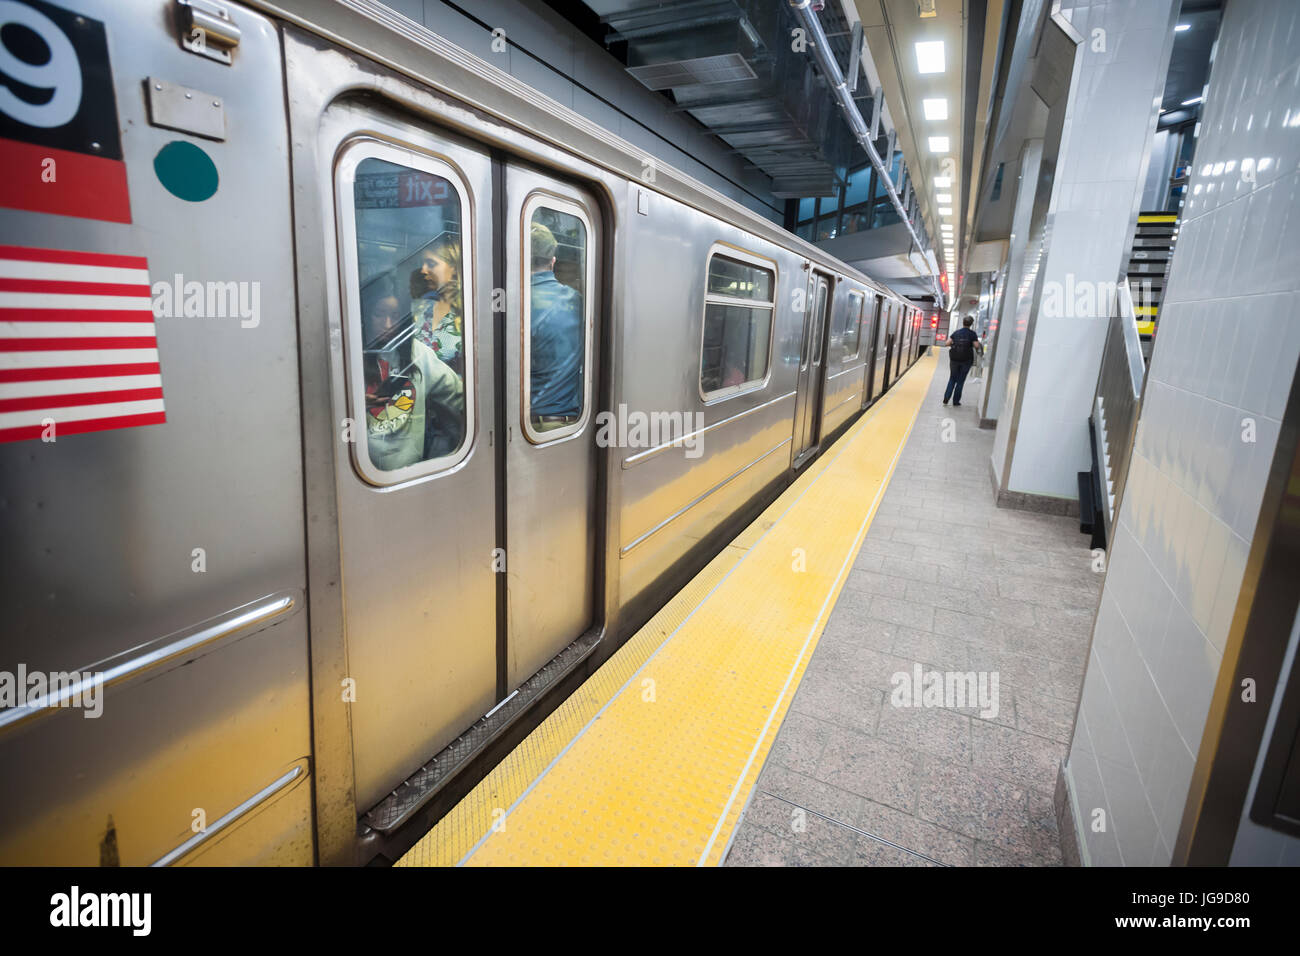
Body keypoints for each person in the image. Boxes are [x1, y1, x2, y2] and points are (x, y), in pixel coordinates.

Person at [361, 273, 465, 470]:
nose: (388, 325)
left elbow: (457, 396)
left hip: (410, 471)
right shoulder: (349, 356)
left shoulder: (418, 354)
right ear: (365, 315)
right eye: (379, 314)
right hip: (361, 470)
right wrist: (356, 404)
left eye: (395, 316)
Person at [528, 221, 583, 432]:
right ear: (552, 262)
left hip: (524, 425)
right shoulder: (578, 301)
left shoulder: (516, 304)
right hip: (569, 424)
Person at [410, 234, 465, 378]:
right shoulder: (418, 307)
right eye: (423, 263)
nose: (423, 270)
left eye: (431, 264)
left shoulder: (470, 313)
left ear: (453, 268)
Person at [943, 315, 983, 406]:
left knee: (952, 378)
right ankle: (956, 401)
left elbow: (947, 343)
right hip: (966, 360)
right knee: (960, 381)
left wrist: (955, 345)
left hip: (954, 359)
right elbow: (976, 346)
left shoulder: (956, 332)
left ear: (963, 322)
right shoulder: (972, 334)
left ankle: (946, 398)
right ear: (971, 324)